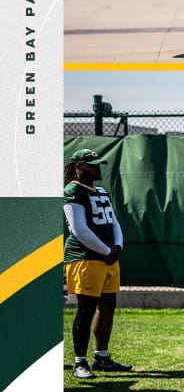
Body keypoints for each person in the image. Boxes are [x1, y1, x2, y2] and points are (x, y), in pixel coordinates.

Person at [63, 149, 132, 379]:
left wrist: (118, 246)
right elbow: (78, 229)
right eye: (92, 165)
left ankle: (101, 357)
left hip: (108, 257)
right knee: (86, 308)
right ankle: (79, 363)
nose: (97, 168)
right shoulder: (72, 190)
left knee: (108, 305)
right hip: (85, 257)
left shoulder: (101, 191)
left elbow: (113, 220)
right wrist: (106, 250)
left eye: (98, 164)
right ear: (78, 167)